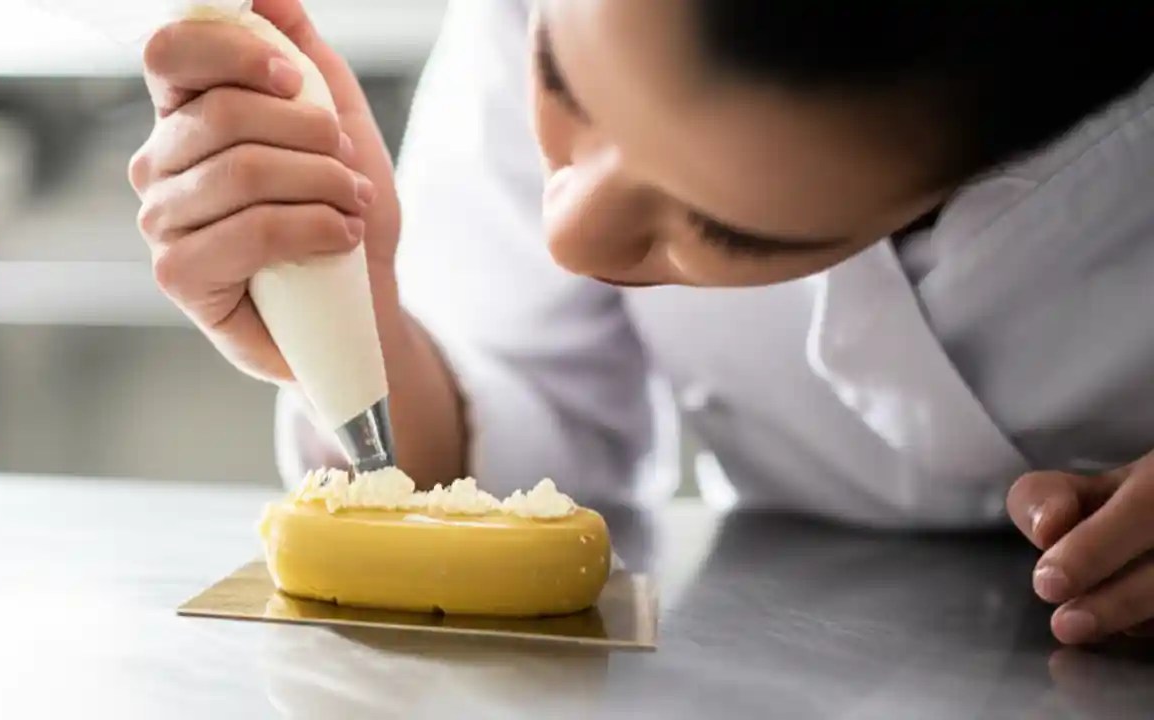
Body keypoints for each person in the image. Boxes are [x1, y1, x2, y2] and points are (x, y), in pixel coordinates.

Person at [128, 0, 1154, 645]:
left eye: (728, 231)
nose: (569, 237)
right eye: (560, 81)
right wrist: (352, 331)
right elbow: (529, 436)